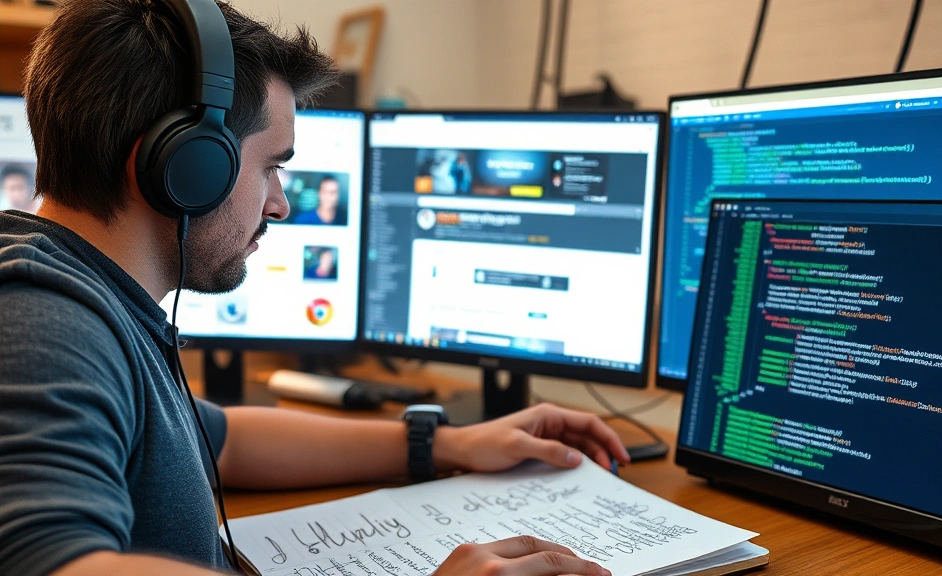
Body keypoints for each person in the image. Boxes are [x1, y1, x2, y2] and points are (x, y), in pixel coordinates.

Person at [0, 2, 628, 576]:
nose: (280, 205)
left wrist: (448, 443)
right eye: (272, 166)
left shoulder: (87, 295)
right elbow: (53, 564)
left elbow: (225, 441)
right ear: (185, 167)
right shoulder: (45, 321)